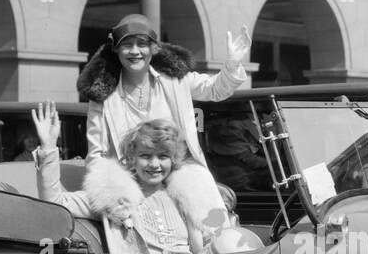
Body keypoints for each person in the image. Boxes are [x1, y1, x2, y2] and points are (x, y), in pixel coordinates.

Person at [32, 103, 237, 254]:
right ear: (132, 158)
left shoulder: (187, 194)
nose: (155, 165)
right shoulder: (112, 195)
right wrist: (49, 147)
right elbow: (55, 203)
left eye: (163, 156)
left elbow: (212, 243)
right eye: (146, 156)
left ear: (173, 160)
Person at [78, 14, 250, 170]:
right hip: (129, 181)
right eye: (127, 45)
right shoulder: (102, 97)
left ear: (154, 48)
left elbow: (215, 89)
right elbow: (96, 155)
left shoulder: (177, 80)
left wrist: (232, 64)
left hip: (178, 174)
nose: (135, 51)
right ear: (116, 50)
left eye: (142, 44)